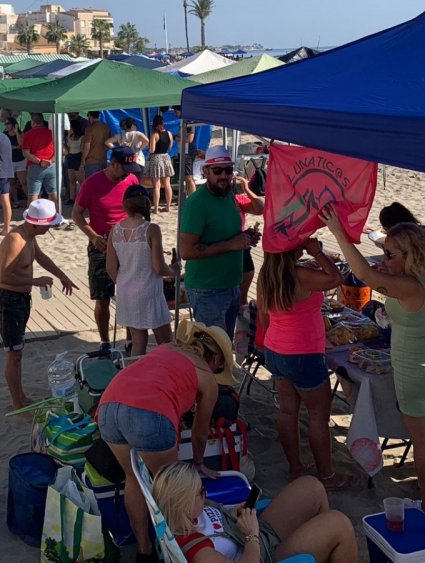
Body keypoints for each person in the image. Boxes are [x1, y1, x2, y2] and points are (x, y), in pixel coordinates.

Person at [323, 208, 425, 522]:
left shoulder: (410, 287)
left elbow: (365, 276)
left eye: (390, 255)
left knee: (422, 441)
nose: (385, 259)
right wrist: (391, 269)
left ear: (410, 255)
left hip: (414, 371)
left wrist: (338, 232)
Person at [96, 319, 237, 562]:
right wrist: (199, 462)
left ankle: (144, 551)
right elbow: (200, 431)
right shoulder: (207, 377)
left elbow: (156, 383)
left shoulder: (166, 348)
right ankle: (174, 553)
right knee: (174, 492)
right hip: (149, 414)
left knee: (134, 479)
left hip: (109, 405)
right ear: (216, 359)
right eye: (219, 368)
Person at [257, 239, 357, 490]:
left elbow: (263, 314)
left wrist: (274, 340)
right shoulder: (299, 274)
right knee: (317, 415)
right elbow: (336, 278)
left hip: (276, 348)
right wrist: (318, 252)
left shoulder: (268, 273)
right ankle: (327, 475)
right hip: (303, 352)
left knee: (287, 411)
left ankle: (295, 467)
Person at [155, 461, 359, 563]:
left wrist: (232, 512)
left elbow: (212, 511)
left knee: (312, 487)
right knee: (339, 524)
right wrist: (252, 534)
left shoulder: (189, 512)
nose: (205, 494)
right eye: (201, 492)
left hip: (255, 534)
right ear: (183, 503)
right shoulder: (197, 550)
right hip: (263, 555)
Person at [0, 199, 77, 408]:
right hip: (8, 301)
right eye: (49, 224)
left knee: (18, 352)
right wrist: (34, 281)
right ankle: (17, 403)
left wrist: (62, 275)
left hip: (21, 299)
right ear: (37, 224)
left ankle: (21, 398)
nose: (50, 228)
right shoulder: (15, 240)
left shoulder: (30, 237)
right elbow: (4, 277)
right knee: (14, 354)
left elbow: (41, 257)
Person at [178, 147, 259, 337]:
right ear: (205, 171)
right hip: (207, 290)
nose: (223, 176)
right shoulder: (196, 203)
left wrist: (245, 237)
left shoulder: (228, 195)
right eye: (217, 170)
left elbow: (226, 233)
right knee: (215, 349)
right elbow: (186, 252)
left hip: (232, 285)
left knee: (225, 345)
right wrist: (231, 244)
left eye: (228, 170)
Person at [73, 147, 141, 346]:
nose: (127, 173)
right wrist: (93, 237)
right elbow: (76, 214)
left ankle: (130, 340)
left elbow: (139, 210)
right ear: (114, 164)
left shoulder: (131, 180)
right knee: (102, 297)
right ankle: (105, 342)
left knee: (131, 295)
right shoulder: (92, 183)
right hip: (101, 244)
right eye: (125, 169)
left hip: (128, 244)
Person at [106, 184, 178, 356]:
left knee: (138, 343)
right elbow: (159, 267)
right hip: (149, 291)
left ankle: (136, 373)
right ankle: (165, 372)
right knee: (166, 343)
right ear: (147, 203)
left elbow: (110, 268)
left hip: (126, 291)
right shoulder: (151, 229)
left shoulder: (115, 230)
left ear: (125, 205)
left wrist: (124, 281)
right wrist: (173, 271)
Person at [234, 176, 265, 303]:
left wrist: (247, 189)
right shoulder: (207, 201)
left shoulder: (236, 199)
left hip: (242, 251)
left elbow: (260, 208)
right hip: (223, 252)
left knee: (242, 300)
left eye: (228, 172)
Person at [21, 112, 58, 206]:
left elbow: (26, 153)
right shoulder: (52, 133)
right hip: (51, 166)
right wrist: (51, 161)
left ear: (33, 122)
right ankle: (57, 213)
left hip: (35, 166)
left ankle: (32, 214)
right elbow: (58, 151)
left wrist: (40, 162)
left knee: (33, 194)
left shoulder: (28, 134)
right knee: (54, 193)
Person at [146, 114, 175, 212]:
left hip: (156, 159)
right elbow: (170, 147)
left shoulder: (154, 135)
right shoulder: (169, 133)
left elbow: (152, 150)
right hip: (166, 157)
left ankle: (156, 209)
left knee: (156, 186)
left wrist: (148, 147)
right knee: (167, 184)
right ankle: (168, 207)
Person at [3, 117, 27, 208]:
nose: (6, 126)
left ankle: (30, 200)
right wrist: (15, 147)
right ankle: (16, 201)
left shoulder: (20, 133)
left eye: (8, 123)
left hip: (21, 161)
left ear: (13, 124)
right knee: (12, 183)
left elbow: (21, 144)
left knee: (23, 182)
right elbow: (6, 147)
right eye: (5, 124)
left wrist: (16, 132)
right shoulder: (5, 135)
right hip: (10, 162)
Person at [63, 112, 86, 204]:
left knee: (81, 181)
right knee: (71, 180)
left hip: (78, 157)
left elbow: (83, 150)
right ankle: (72, 199)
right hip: (70, 157)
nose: (69, 129)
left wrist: (82, 163)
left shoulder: (82, 138)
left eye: (70, 127)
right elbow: (67, 148)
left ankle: (82, 199)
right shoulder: (69, 136)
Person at [81, 110, 111, 177]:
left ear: (90, 116)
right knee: (101, 181)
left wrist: (83, 159)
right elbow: (109, 144)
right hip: (103, 160)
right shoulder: (106, 127)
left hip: (91, 162)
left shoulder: (89, 129)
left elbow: (86, 147)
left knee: (91, 182)